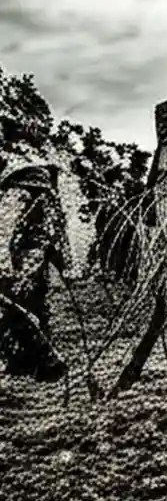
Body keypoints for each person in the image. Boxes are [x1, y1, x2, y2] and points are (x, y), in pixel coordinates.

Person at [0, 159, 68, 381]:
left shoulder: (28, 198)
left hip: (26, 264)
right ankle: (31, 362)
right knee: (28, 310)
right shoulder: (37, 199)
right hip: (25, 262)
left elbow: (49, 239)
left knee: (21, 311)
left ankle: (43, 363)